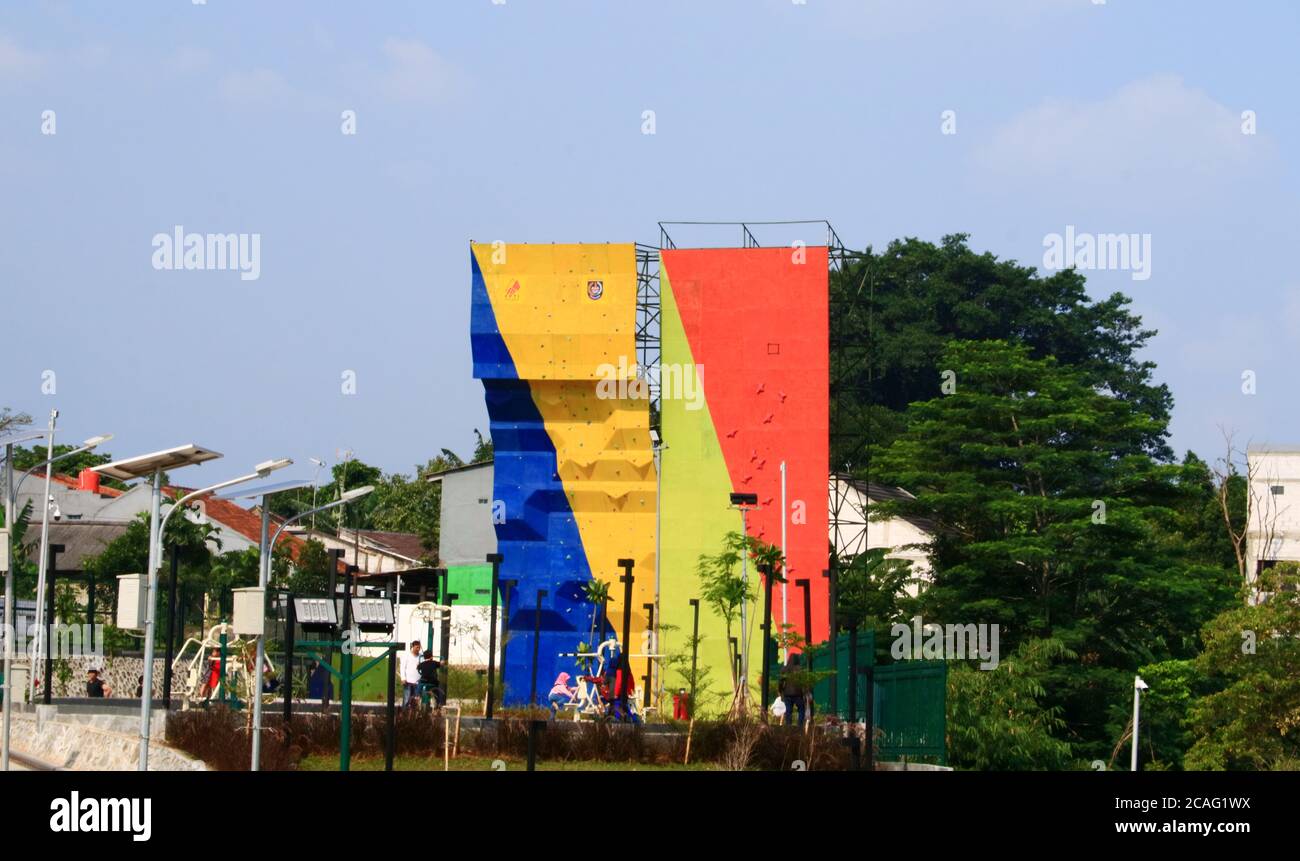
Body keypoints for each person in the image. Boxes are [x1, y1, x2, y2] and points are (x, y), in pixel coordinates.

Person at [779, 653, 807, 727]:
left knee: (788, 710)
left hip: (787, 693)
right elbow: (803, 683)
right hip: (798, 693)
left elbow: (781, 682)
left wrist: (780, 691)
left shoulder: (784, 669)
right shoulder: (800, 669)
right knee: (801, 709)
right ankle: (800, 726)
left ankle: (788, 726)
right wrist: (805, 692)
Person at [399, 641, 422, 707]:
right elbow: (402, 667)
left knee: (415, 702)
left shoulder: (421, 657)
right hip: (408, 682)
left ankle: (413, 716)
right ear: (413, 647)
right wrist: (403, 678)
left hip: (418, 683)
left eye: (419, 647)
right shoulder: (407, 655)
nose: (418, 649)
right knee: (406, 700)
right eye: (417, 647)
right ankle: (404, 714)